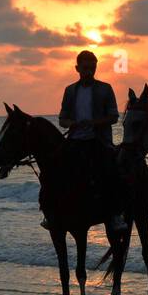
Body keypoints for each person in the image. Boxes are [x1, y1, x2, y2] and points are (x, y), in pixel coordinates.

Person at [55, 50, 128, 234]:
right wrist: (72, 124)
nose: (89, 71)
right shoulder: (70, 90)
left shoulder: (105, 88)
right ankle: (52, 212)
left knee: (110, 173)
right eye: (85, 68)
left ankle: (115, 214)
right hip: (75, 139)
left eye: (92, 68)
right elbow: (62, 119)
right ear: (77, 68)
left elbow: (113, 116)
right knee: (55, 169)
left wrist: (94, 123)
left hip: (99, 141)